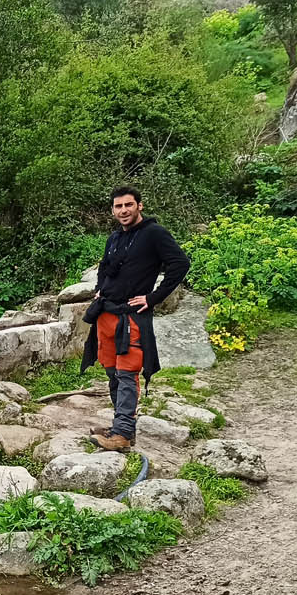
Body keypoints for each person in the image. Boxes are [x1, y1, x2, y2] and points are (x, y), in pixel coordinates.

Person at [80, 186, 190, 452]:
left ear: (139, 206)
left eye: (128, 205)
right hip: (106, 314)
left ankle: (122, 435)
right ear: (113, 210)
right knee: (111, 372)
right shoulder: (114, 238)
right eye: (118, 207)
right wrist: (100, 289)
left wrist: (152, 298)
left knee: (127, 373)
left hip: (131, 317)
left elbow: (180, 264)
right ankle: (122, 428)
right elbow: (105, 267)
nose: (123, 211)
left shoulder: (154, 234)